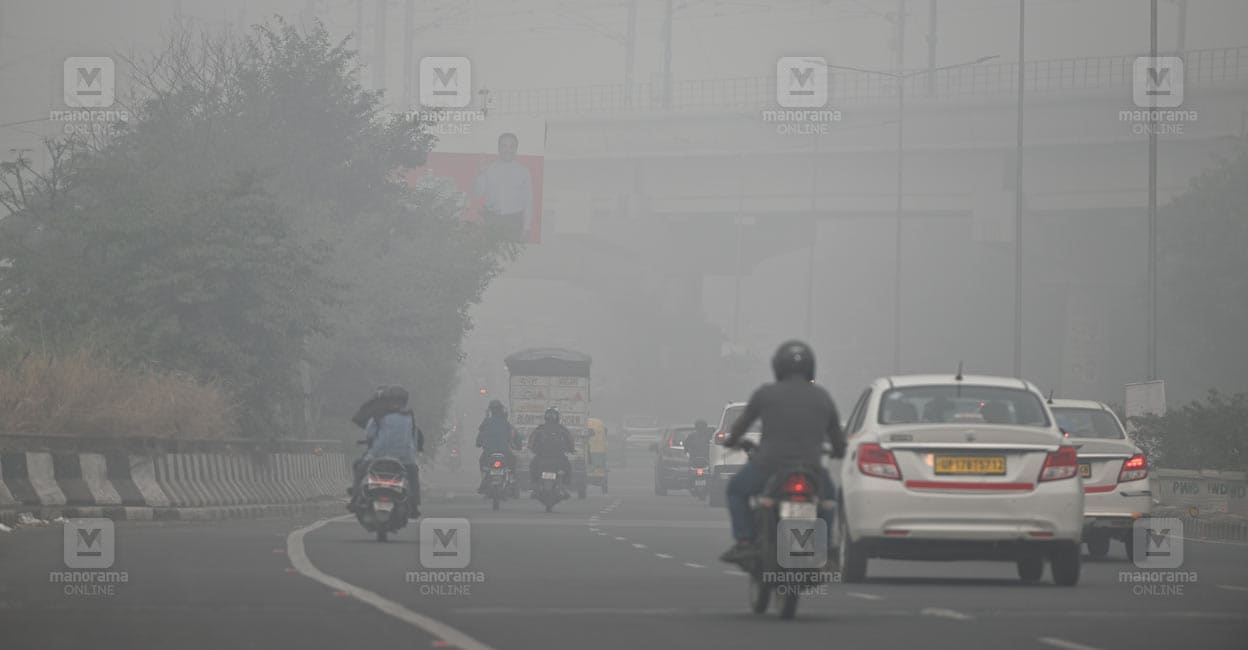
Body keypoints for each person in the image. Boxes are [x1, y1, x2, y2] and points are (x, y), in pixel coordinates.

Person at [719, 341, 847, 564]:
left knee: (736, 490)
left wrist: (732, 441)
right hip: (811, 469)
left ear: (778, 366)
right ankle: (826, 547)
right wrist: (838, 450)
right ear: (810, 367)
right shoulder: (822, 397)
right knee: (828, 499)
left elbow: (741, 425)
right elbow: (837, 437)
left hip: (768, 466)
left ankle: (745, 541)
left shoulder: (765, 394)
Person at [349, 385, 424, 516]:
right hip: (405, 458)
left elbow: (370, 433)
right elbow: (414, 438)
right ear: (404, 402)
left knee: (359, 467)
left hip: (377, 455)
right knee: (413, 474)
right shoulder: (409, 417)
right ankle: (414, 505)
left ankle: (354, 499)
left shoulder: (378, 415)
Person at [472, 132, 534, 243]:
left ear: (516, 149)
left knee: (512, 254)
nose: (508, 150)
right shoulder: (489, 169)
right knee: (490, 252)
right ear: (499, 148)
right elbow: (477, 194)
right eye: (504, 146)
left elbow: (528, 201)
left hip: (514, 221)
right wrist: (481, 173)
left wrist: (527, 228)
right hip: (491, 220)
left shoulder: (524, 171)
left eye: (511, 146)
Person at [528, 407, 575, 493]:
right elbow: (570, 441)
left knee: (532, 467)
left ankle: (534, 484)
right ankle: (565, 485)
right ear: (557, 417)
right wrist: (572, 450)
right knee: (568, 468)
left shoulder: (540, 428)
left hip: (542, 457)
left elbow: (531, 442)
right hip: (558, 458)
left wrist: (532, 449)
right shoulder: (562, 429)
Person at [476, 400, 518, 493]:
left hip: (488, 452)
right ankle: (512, 480)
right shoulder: (505, 423)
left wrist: (479, 443)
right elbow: (512, 437)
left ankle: (484, 480)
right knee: (513, 461)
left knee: (482, 462)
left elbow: (480, 437)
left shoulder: (486, 422)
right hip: (504, 452)